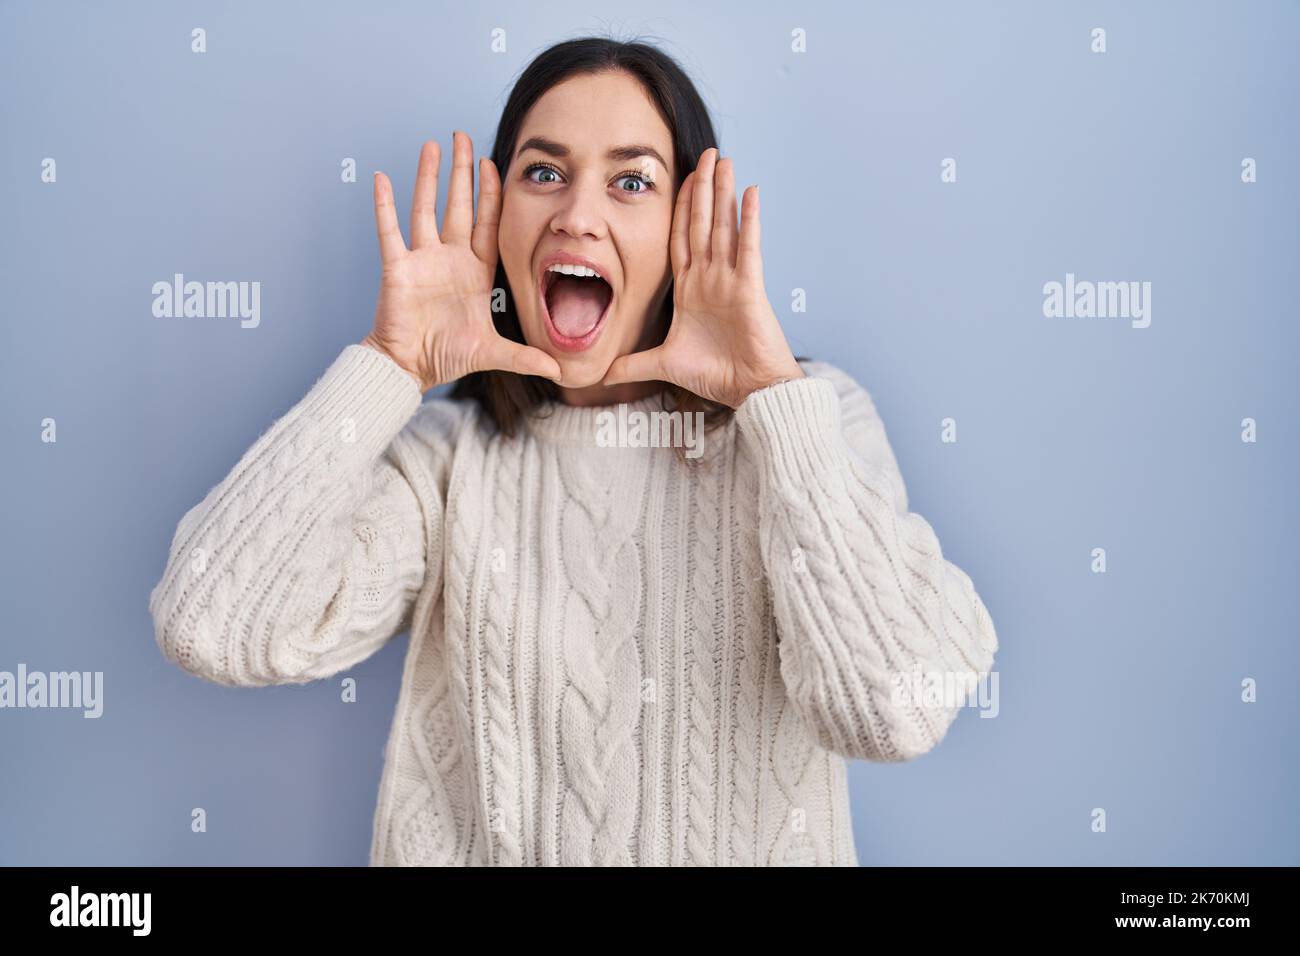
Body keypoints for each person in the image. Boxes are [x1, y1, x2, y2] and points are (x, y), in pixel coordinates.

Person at [148, 36, 998, 866]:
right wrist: (389, 366)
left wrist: (774, 398)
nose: (577, 215)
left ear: (684, 229)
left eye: (632, 181)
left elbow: (895, 711)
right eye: (543, 173)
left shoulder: (809, 425)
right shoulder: (447, 462)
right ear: (497, 218)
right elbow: (210, 625)